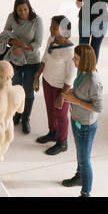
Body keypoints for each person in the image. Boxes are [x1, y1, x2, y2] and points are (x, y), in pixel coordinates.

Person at [0, 0, 45, 135]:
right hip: (15, 59)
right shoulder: (11, 18)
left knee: (28, 90)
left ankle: (26, 118)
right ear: (15, 10)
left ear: (29, 8)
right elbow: (5, 36)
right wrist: (15, 43)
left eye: (25, 9)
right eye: (20, 10)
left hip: (31, 60)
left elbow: (38, 43)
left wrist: (24, 47)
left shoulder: (37, 21)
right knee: (15, 87)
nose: (23, 13)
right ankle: (17, 114)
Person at [60, 44, 104, 197]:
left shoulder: (94, 81)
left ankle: (85, 193)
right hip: (76, 119)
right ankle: (79, 177)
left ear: (85, 61)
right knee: (80, 155)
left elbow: (98, 107)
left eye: (77, 58)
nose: (73, 60)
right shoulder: (81, 71)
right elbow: (81, 90)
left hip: (85, 126)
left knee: (85, 161)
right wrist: (73, 92)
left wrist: (76, 101)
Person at [36, 15, 75, 155]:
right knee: (50, 109)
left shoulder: (70, 51)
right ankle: (52, 132)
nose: (50, 29)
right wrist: (37, 75)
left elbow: (71, 76)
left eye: (54, 27)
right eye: (51, 25)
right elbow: (45, 58)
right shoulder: (51, 39)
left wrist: (62, 96)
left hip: (61, 87)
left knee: (61, 114)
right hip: (47, 81)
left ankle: (62, 142)